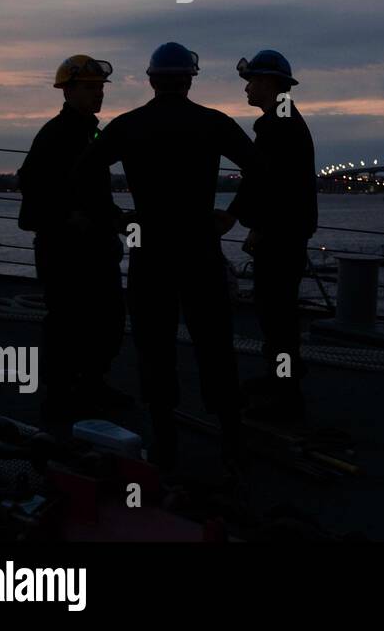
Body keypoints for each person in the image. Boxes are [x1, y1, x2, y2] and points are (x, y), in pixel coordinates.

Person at [72, 42, 254, 472]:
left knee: (154, 349)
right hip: (200, 252)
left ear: (151, 80)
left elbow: (82, 173)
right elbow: (259, 166)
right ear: (189, 79)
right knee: (214, 346)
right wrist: (231, 215)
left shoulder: (128, 126)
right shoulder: (213, 124)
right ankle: (230, 439)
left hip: (150, 255)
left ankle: (165, 444)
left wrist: (117, 218)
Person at [18, 55, 131, 421]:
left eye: (99, 88)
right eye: (89, 88)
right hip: (66, 248)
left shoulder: (87, 131)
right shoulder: (59, 133)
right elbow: (31, 182)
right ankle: (64, 394)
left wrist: (111, 219)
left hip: (90, 245)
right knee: (70, 319)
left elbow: (94, 191)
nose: (98, 94)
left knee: (104, 317)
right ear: (67, 91)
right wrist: (68, 217)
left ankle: (87, 385)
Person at [225, 50, 317, 422]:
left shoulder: (277, 127)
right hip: (287, 234)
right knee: (280, 317)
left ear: (270, 83)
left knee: (277, 318)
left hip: (280, 237)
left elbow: (269, 183)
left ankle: (285, 393)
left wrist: (255, 226)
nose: (247, 88)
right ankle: (281, 382)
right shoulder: (285, 122)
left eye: (252, 81)